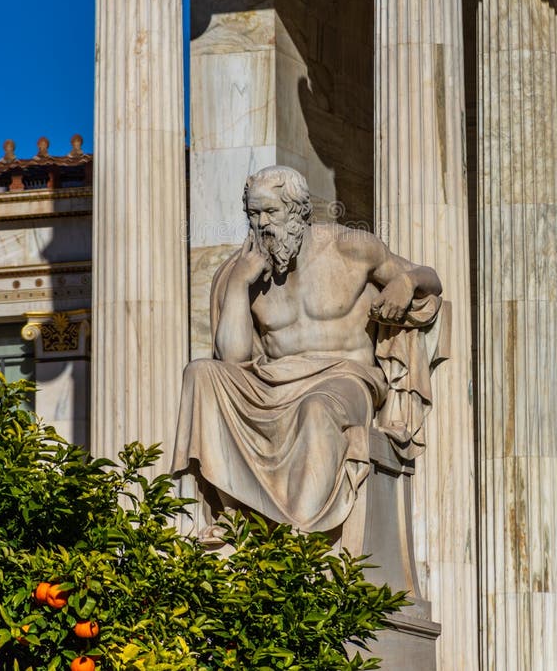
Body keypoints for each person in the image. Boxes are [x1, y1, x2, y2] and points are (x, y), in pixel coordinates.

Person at [172, 165, 442, 536]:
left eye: (270, 212)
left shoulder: (351, 247)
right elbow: (232, 361)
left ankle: (297, 536)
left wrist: (407, 283)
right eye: (253, 214)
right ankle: (234, 516)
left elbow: (431, 279)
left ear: (298, 211)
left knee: (316, 408)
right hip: (272, 383)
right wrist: (238, 283)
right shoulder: (240, 271)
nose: (262, 224)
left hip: (345, 378)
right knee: (201, 373)